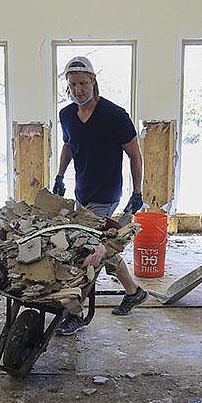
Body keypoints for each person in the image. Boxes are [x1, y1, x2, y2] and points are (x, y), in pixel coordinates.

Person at [53, 55, 147, 336]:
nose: (78, 90)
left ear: (93, 81)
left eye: (83, 83)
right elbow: (68, 146)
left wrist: (137, 192)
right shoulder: (66, 115)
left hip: (106, 193)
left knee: (86, 250)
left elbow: (134, 155)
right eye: (73, 85)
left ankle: (75, 313)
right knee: (104, 249)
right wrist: (59, 176)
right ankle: (133, 292)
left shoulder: (115, 115)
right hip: (83, 192)